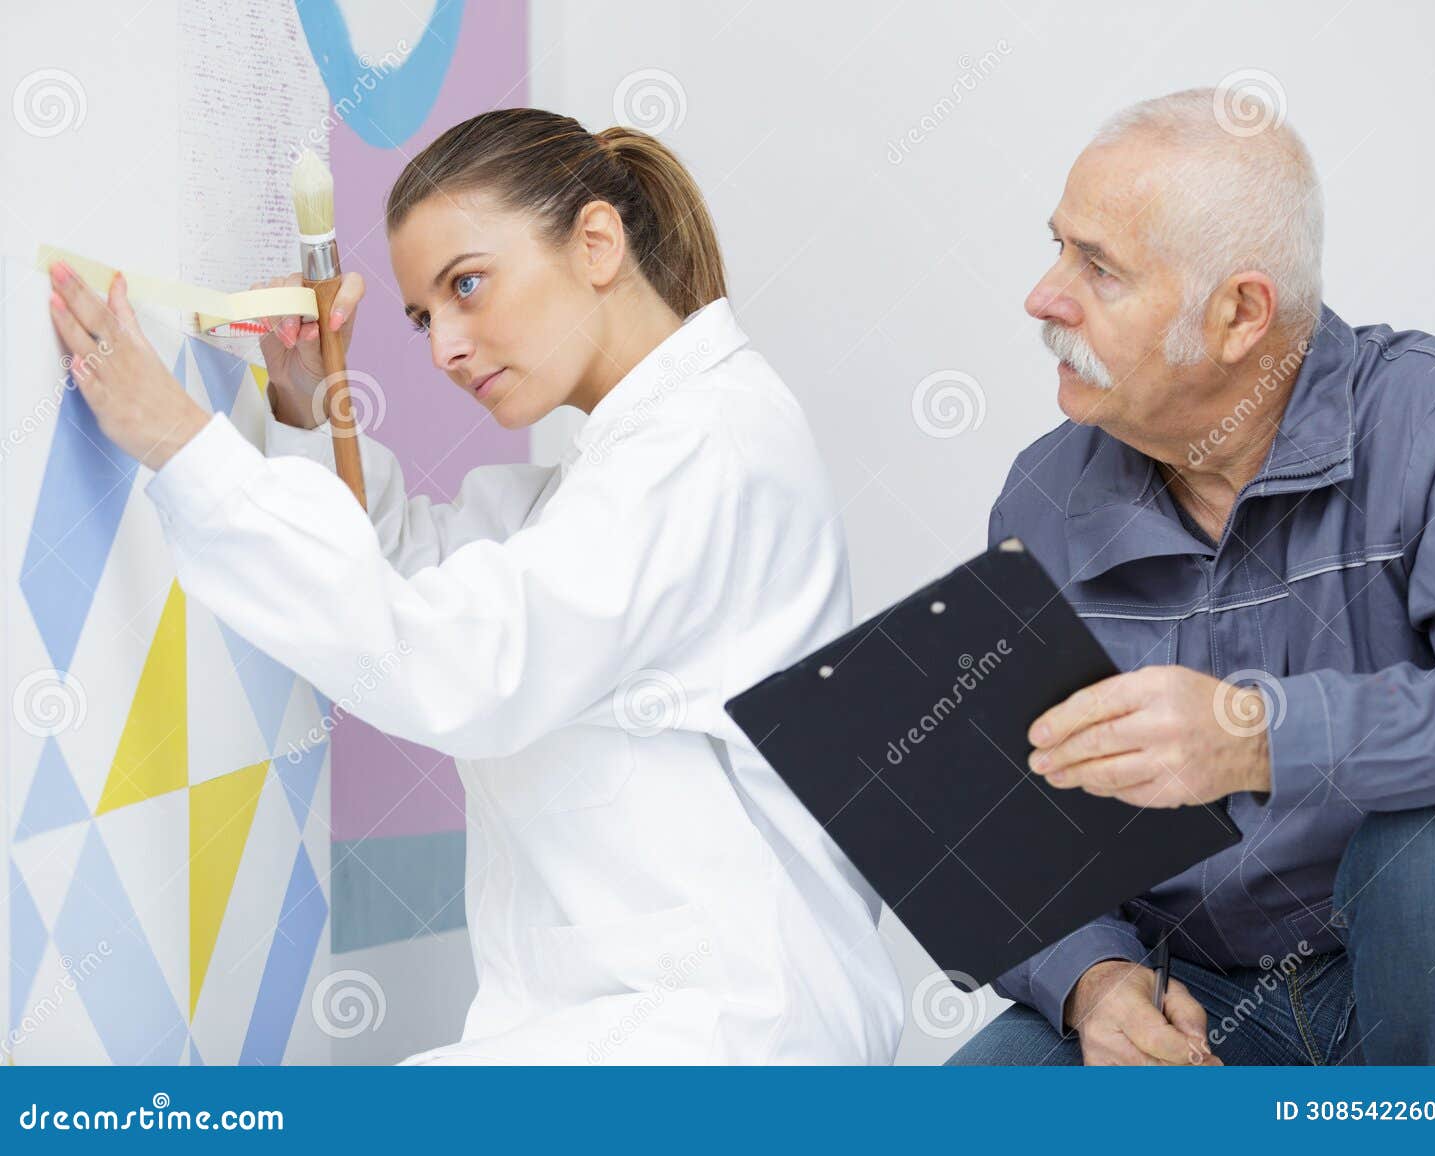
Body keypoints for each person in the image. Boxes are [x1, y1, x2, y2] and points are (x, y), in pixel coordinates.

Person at [47, 108, 903, 1064]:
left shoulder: (705, 447)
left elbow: (461, 662)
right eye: (421, 317)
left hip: (730, 1027)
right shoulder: (623, 466)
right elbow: (427, 576)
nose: (443, 348)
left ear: (595, 242)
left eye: (467, 285)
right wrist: (303, 398)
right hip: (656, 1018)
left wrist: (182, 444)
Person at [949, 88, 1435, 1066]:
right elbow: (1009, 817)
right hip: (1204, 990)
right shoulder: (1044, 495)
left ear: (1240, 314)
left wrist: (1258, 736)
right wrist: (1091, 975)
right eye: (1057, 246)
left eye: (1098, 267)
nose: (1044, 296)